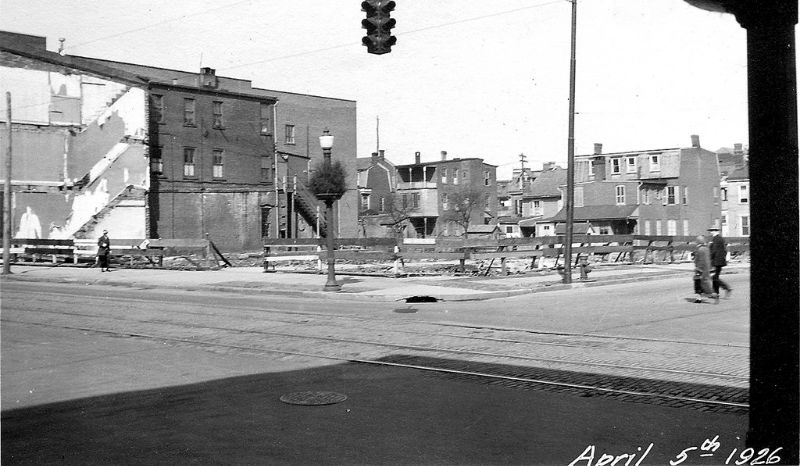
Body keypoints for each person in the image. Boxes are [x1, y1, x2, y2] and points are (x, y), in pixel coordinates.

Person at [693, 235, 718, 303]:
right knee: (705, 283)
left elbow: (700, 260)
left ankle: (699, 298)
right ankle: (712, 294)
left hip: (701, 269)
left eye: (697, 241)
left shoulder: (700, 249)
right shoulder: (707, 248)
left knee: (697, 283)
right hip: (707, 268)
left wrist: (698, 269)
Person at [708, 227, 732, 297]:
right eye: (710, 231)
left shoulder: (715, 239)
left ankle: (726, 288)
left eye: (711, 231)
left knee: (714, 277)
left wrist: (709, 258)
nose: (710, 232)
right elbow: (725, 250)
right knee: (715, 277)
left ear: (716, 231)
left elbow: (713, 251)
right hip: (720, 261)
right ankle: (716, 293)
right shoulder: (721, 238)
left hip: (715, 261)